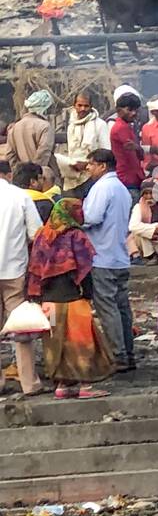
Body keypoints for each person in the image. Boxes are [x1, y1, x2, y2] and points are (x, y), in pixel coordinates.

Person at [26, 198, 115, 399]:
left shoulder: (42, 236)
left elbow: (35, 269)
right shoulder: (76, 236)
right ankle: (84, 385)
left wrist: (36, 297)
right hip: (74, 300)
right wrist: (89, 295)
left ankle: (62, 385)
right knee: (81, 343)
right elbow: (84, 270)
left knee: (55, 343)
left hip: (49, 303)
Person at [80, 148, 135, 372]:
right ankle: (128, 353)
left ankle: (118, 355)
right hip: (119, 256)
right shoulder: (121, 188)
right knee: (122, 307)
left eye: (91, 164)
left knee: (108, 308)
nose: (88, 168)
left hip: (102, 257)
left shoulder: (102, 187)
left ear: (103, 166)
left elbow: (91, 218)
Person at [0, 164, 44, 395]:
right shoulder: (20, 196)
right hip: (14, 268)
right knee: (22, 330)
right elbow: (36, 233)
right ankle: (29, 383)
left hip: (12, 267)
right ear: (8, 174)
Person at [3, 90, 61, 187]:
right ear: (44, 108)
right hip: (44, 180)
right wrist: (34, 174)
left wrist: (21, 174)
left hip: (22, 181)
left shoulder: (14, 127)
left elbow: (10, 155)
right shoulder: (45, 126)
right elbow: (43, 152)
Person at [60, 91, 111, 189]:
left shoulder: (100, 125)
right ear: (74, 106)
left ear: (91, 107)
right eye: (79, 105)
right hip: (72, 178)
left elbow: (107, 153)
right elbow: (71, 152)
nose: (82, 109)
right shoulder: (71, 126)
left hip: (93, 178)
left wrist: (87, 164)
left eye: (86, 106)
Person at [108, 93, 146, 196]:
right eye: (129, 109)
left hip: (131, 177)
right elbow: (136, 155)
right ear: (119, 110)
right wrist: (138, 149)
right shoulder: (121, 127)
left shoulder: (127, 126)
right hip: (128, 178)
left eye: (136, 110)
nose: (134, 113)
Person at [127, 182, 158, 263]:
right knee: (137, 232)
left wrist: (153, 229)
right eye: (146, 193)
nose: (149, 196)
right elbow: (133, 226)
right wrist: (154, 229)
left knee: (141, 230)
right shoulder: (138, 207)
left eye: (151, 193)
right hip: (147, 241)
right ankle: (151, 256)